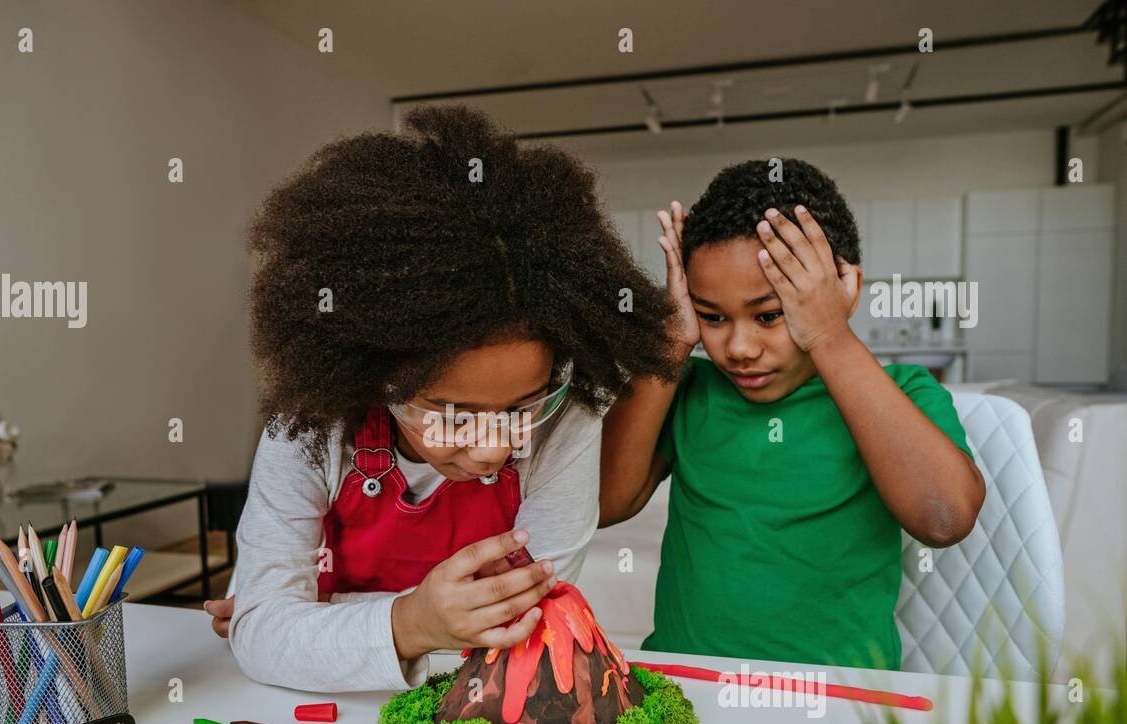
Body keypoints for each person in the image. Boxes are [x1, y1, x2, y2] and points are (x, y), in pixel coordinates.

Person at [207, 105, 681, 691]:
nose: (489, 451)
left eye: (521, 407)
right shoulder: (311, 427)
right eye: (455, 416)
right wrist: (409, 623)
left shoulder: (568, 418)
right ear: (378, 376)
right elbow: (258, 632)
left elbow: (525, 614)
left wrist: (323, 625)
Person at [601, 159, 984, 669]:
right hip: (687, 687)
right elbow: (605, 502)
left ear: (843, 289)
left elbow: (944, 518)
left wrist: (830, 335)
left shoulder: (903, 392)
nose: (738, 347)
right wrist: (671, 340)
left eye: (769, 315)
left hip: (841, 704)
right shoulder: (688, 388)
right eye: (712, 316)